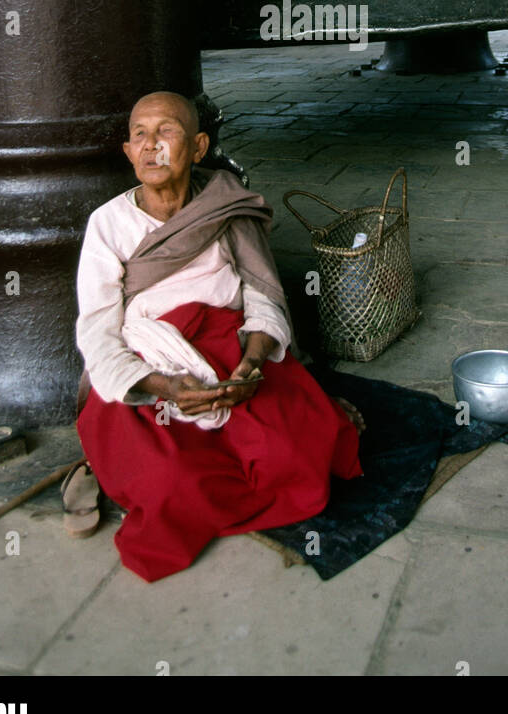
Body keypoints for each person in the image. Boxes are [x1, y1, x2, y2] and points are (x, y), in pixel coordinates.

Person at [73, 90, 363, 581]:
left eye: (166, 131)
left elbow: (263, 294)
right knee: (169, 483)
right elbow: (97, 332)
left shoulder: (226, 205)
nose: (151, 146)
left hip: (231, 350)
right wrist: (164, 388)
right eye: (139, 135)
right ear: (127, 152)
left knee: (292, 459)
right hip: (152, 365)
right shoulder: (107, 225)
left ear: (199, 146)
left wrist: (252, 363)